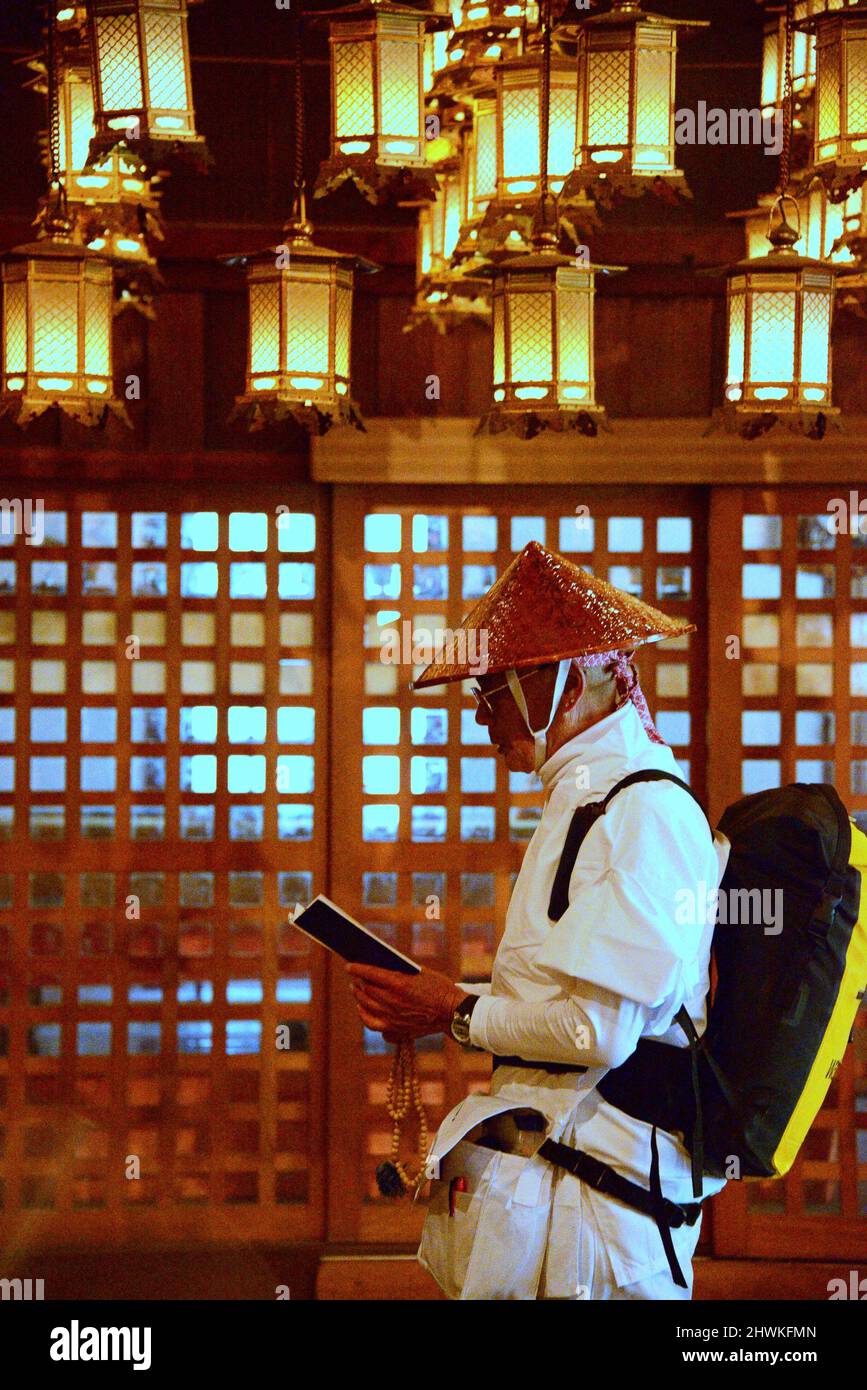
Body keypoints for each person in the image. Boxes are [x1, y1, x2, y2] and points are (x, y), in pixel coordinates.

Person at [347, 540, 729, 1300]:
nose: (483, 718)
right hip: (563, 1190)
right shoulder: (586, 800)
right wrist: (440, 1003)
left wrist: (452, 1010)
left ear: (565, 681)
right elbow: (563, 1000)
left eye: (493, 692)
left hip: (604, 1211)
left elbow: (599, 1033)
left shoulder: (644, 810)